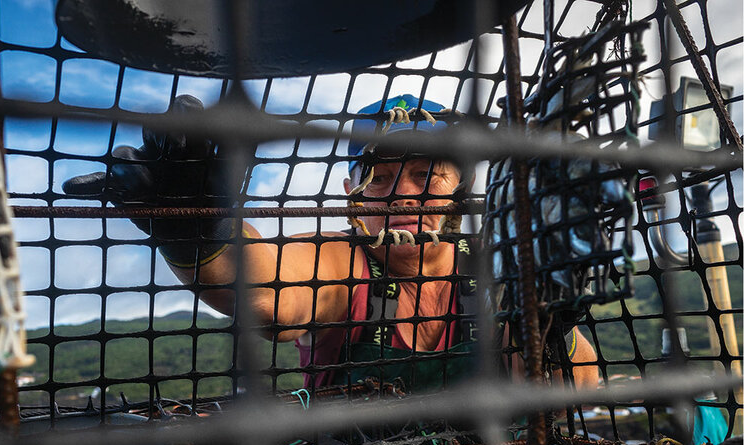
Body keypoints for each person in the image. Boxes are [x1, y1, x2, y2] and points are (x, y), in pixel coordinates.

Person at [63, 93, 598, 394]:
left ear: (459, 188)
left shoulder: (496, 270)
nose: (402, 196)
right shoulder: (339, 262)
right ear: (351, 194)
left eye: (425, 175)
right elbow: (266, 289)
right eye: (381, 177)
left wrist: (553, 318)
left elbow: (576, 393)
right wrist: (195, 227)